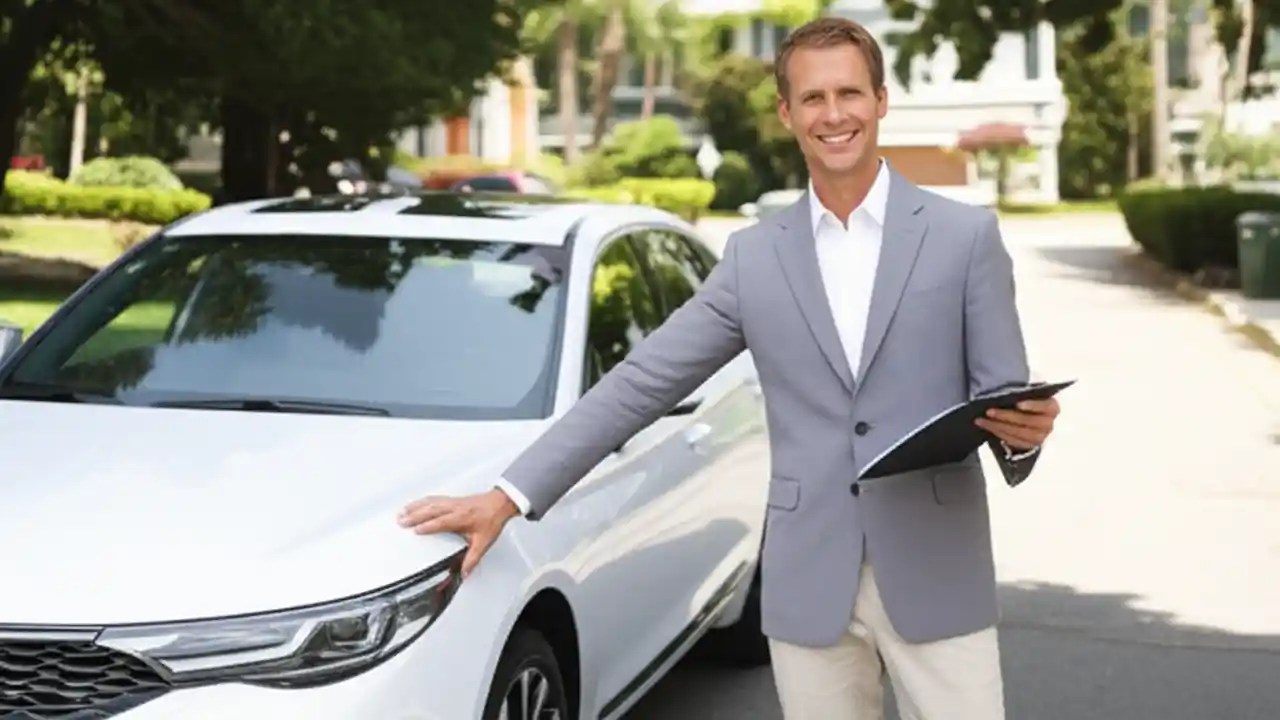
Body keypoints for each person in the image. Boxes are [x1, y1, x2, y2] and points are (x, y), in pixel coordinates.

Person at [398, 16, 1060, 720]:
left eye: (849, 94)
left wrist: (1024, 434)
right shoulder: (753, 259)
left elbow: (1003, 402)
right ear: (786, 113)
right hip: (808, 579)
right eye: (812, 98)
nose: (833, 114)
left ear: (881, 100)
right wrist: (507, 497)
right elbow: (642, 380)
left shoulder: (965, 238)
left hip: (936, 572)